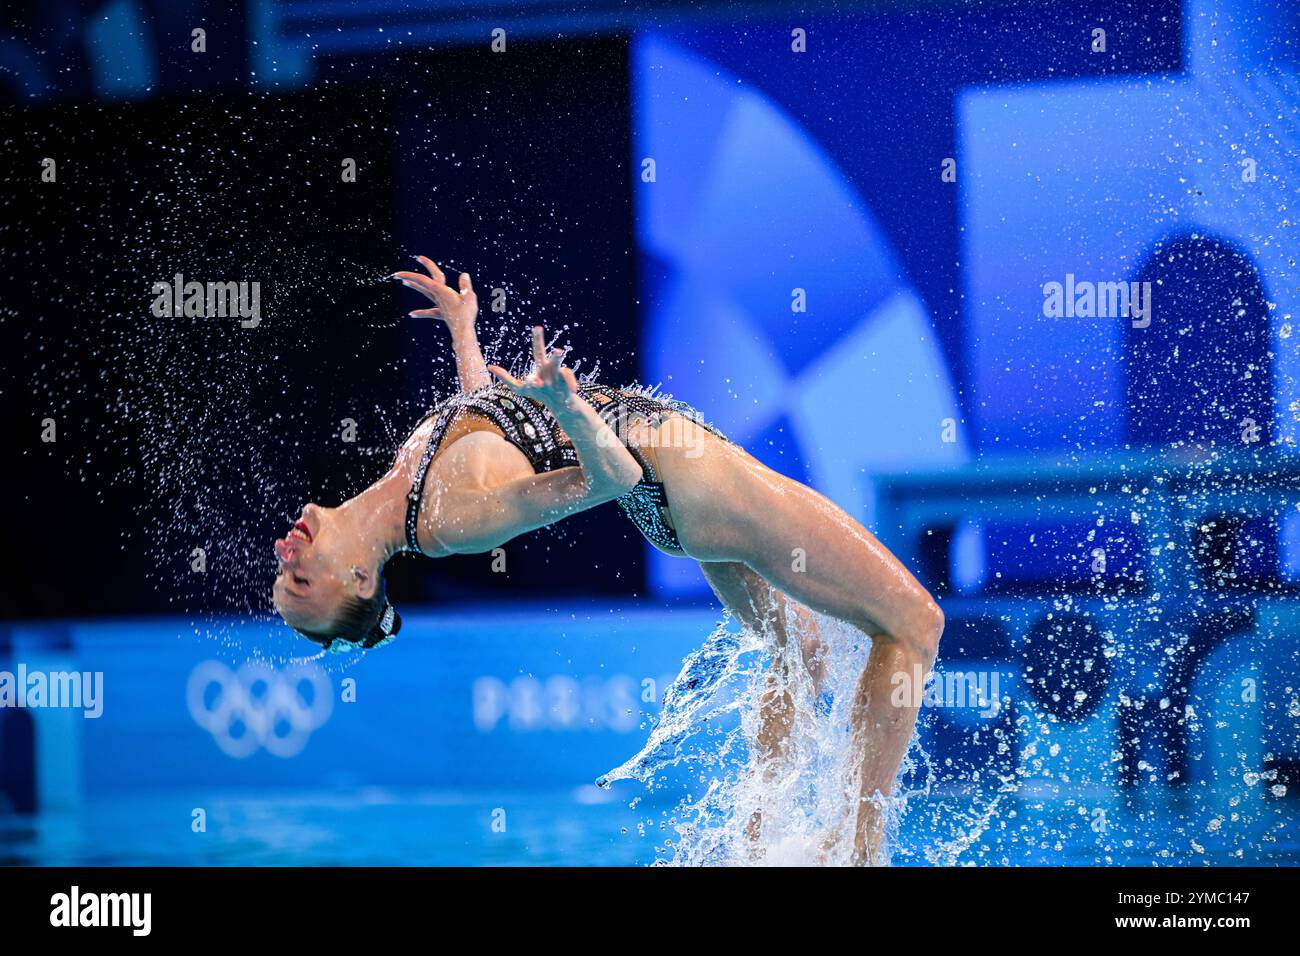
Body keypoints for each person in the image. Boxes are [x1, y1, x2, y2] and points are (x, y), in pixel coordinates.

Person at [271, 256, 943, 863]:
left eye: (283, 573)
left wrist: (463, 329)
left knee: (799, 649)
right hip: (688, 481)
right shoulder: (448, 521)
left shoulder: (411, 489)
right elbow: (610, 477)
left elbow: (492, 428)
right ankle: (858, 851)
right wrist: (570, 407)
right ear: (360, 580)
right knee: (913, 623)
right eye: (300, 578)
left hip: (678, 497)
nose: (285, 554)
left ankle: (762, 845)